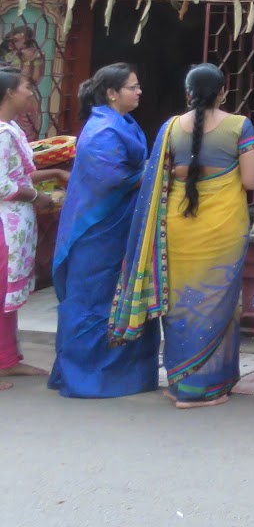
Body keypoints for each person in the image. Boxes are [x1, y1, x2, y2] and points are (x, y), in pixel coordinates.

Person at [111, 63, 254, 408]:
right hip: (223, 225)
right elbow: (250, 182)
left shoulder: (171, 127)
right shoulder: (239, 126)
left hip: (178, 223)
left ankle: (181, 380)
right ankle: (203, 389)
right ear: (223, 92)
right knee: (215, 303)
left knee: (181, 303)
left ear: (188, 94)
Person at [49, 65, 160, 399]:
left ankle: (125, 374)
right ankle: (86, 376)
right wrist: (155, 172)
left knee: (122, 295)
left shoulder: (121, 122)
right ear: (112, 93)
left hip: (120, 226)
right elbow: (110, 180)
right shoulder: (102, 131)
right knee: (95, 300)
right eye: (133, 87)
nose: (139, 92)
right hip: (98, 230)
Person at [2, 68, 65, 388]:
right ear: (10, 93)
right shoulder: (0, 133)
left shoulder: (12, 128)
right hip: (4, 225)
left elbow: (18, 176)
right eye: (26, 87)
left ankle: (7, 361)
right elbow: (2, 185)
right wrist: (42, 197)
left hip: (17, 223)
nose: (31, 91)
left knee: (7, 296)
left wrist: (54, 172)